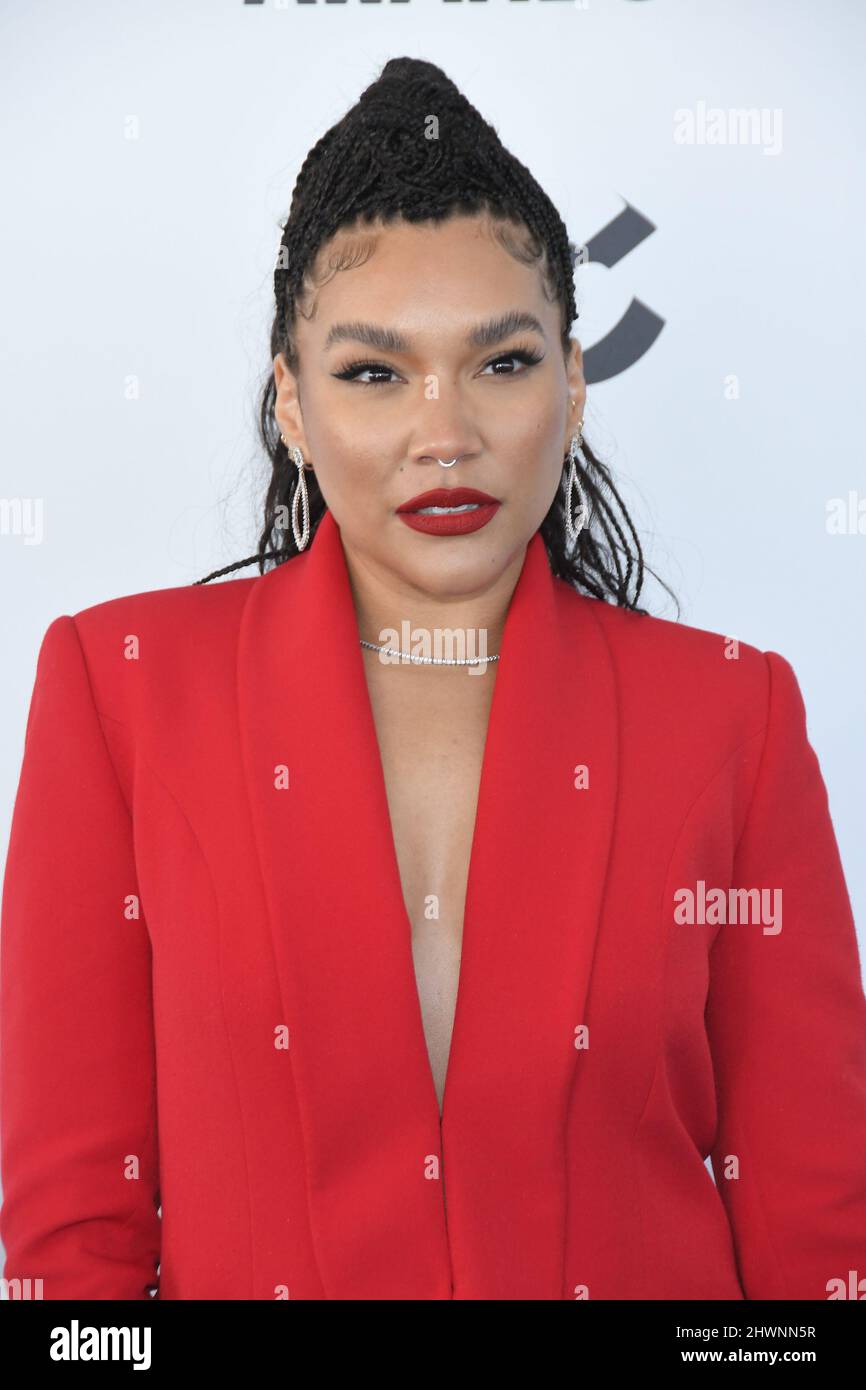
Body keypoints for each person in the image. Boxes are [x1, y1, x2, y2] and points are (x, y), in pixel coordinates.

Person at [2, 56, 865, 1302]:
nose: (443, 431)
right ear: (290, 403)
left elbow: (814, 1236)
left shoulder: (734, 715)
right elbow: (70, 1253)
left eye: (500, 363)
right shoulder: (119, 693)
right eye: (371, 372)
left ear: (571, 383)